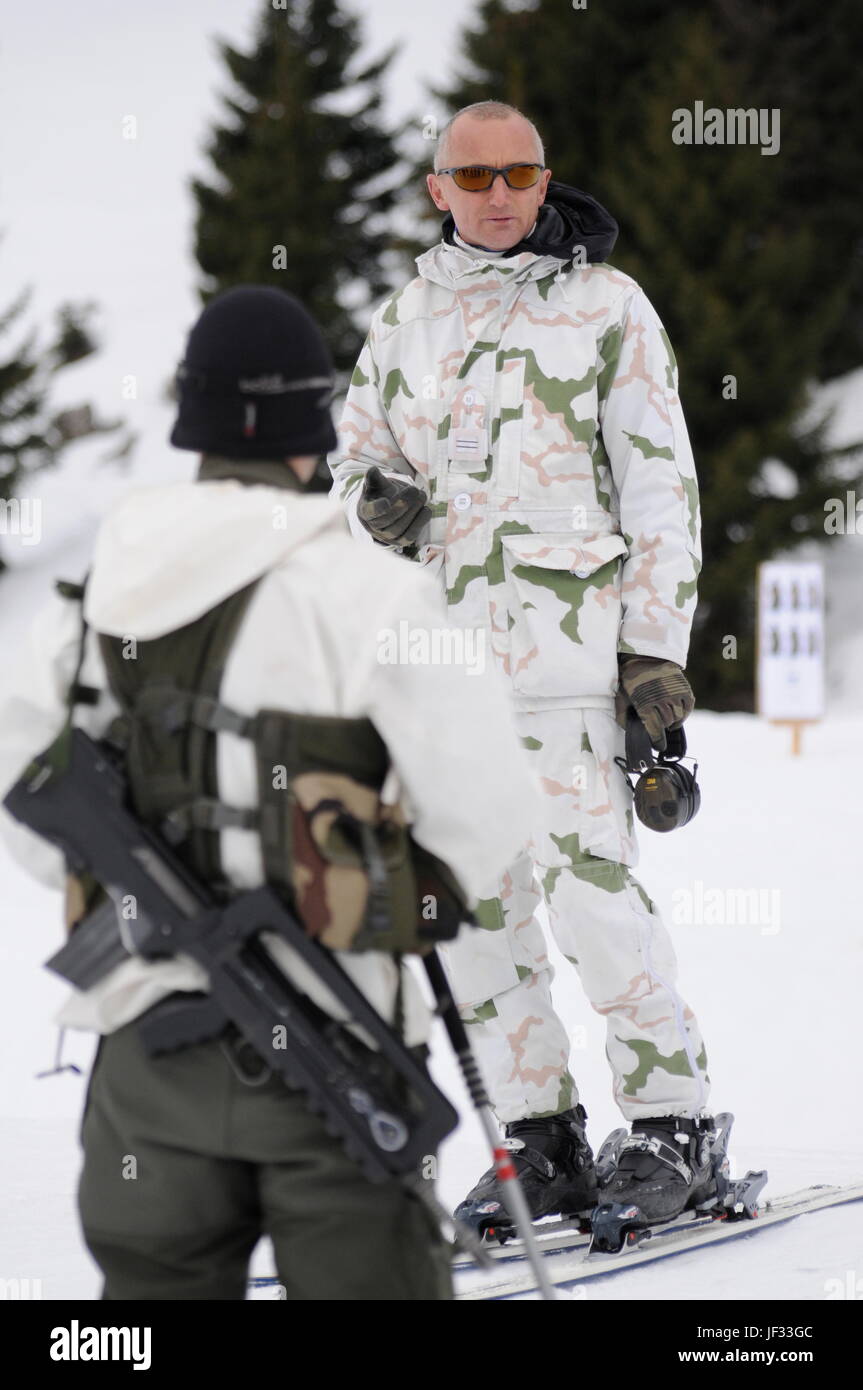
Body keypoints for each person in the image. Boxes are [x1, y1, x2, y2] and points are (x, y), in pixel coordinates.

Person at [0, 284, 540, 1300]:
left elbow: (22, 791)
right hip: (333, 1058)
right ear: (314, 424)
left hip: (143, 1065)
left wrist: (130, 882)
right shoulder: (371, 591)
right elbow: (488, 812)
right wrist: (387, 883)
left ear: (193, 419)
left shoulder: (92, 590)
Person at [329, 100, 716, 1235]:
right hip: (443, 679)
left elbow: (659, 489)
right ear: (435, 189)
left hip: (572, 671)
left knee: (597, 905)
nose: (498, 192)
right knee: (481, 918)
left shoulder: (607, 307)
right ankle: (537, 1137)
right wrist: (373, 508)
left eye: (520, 171)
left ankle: (669, 1123)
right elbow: (352, 469)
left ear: (544, 182)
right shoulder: (404, 320)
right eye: (473, 173)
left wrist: (653, 653)